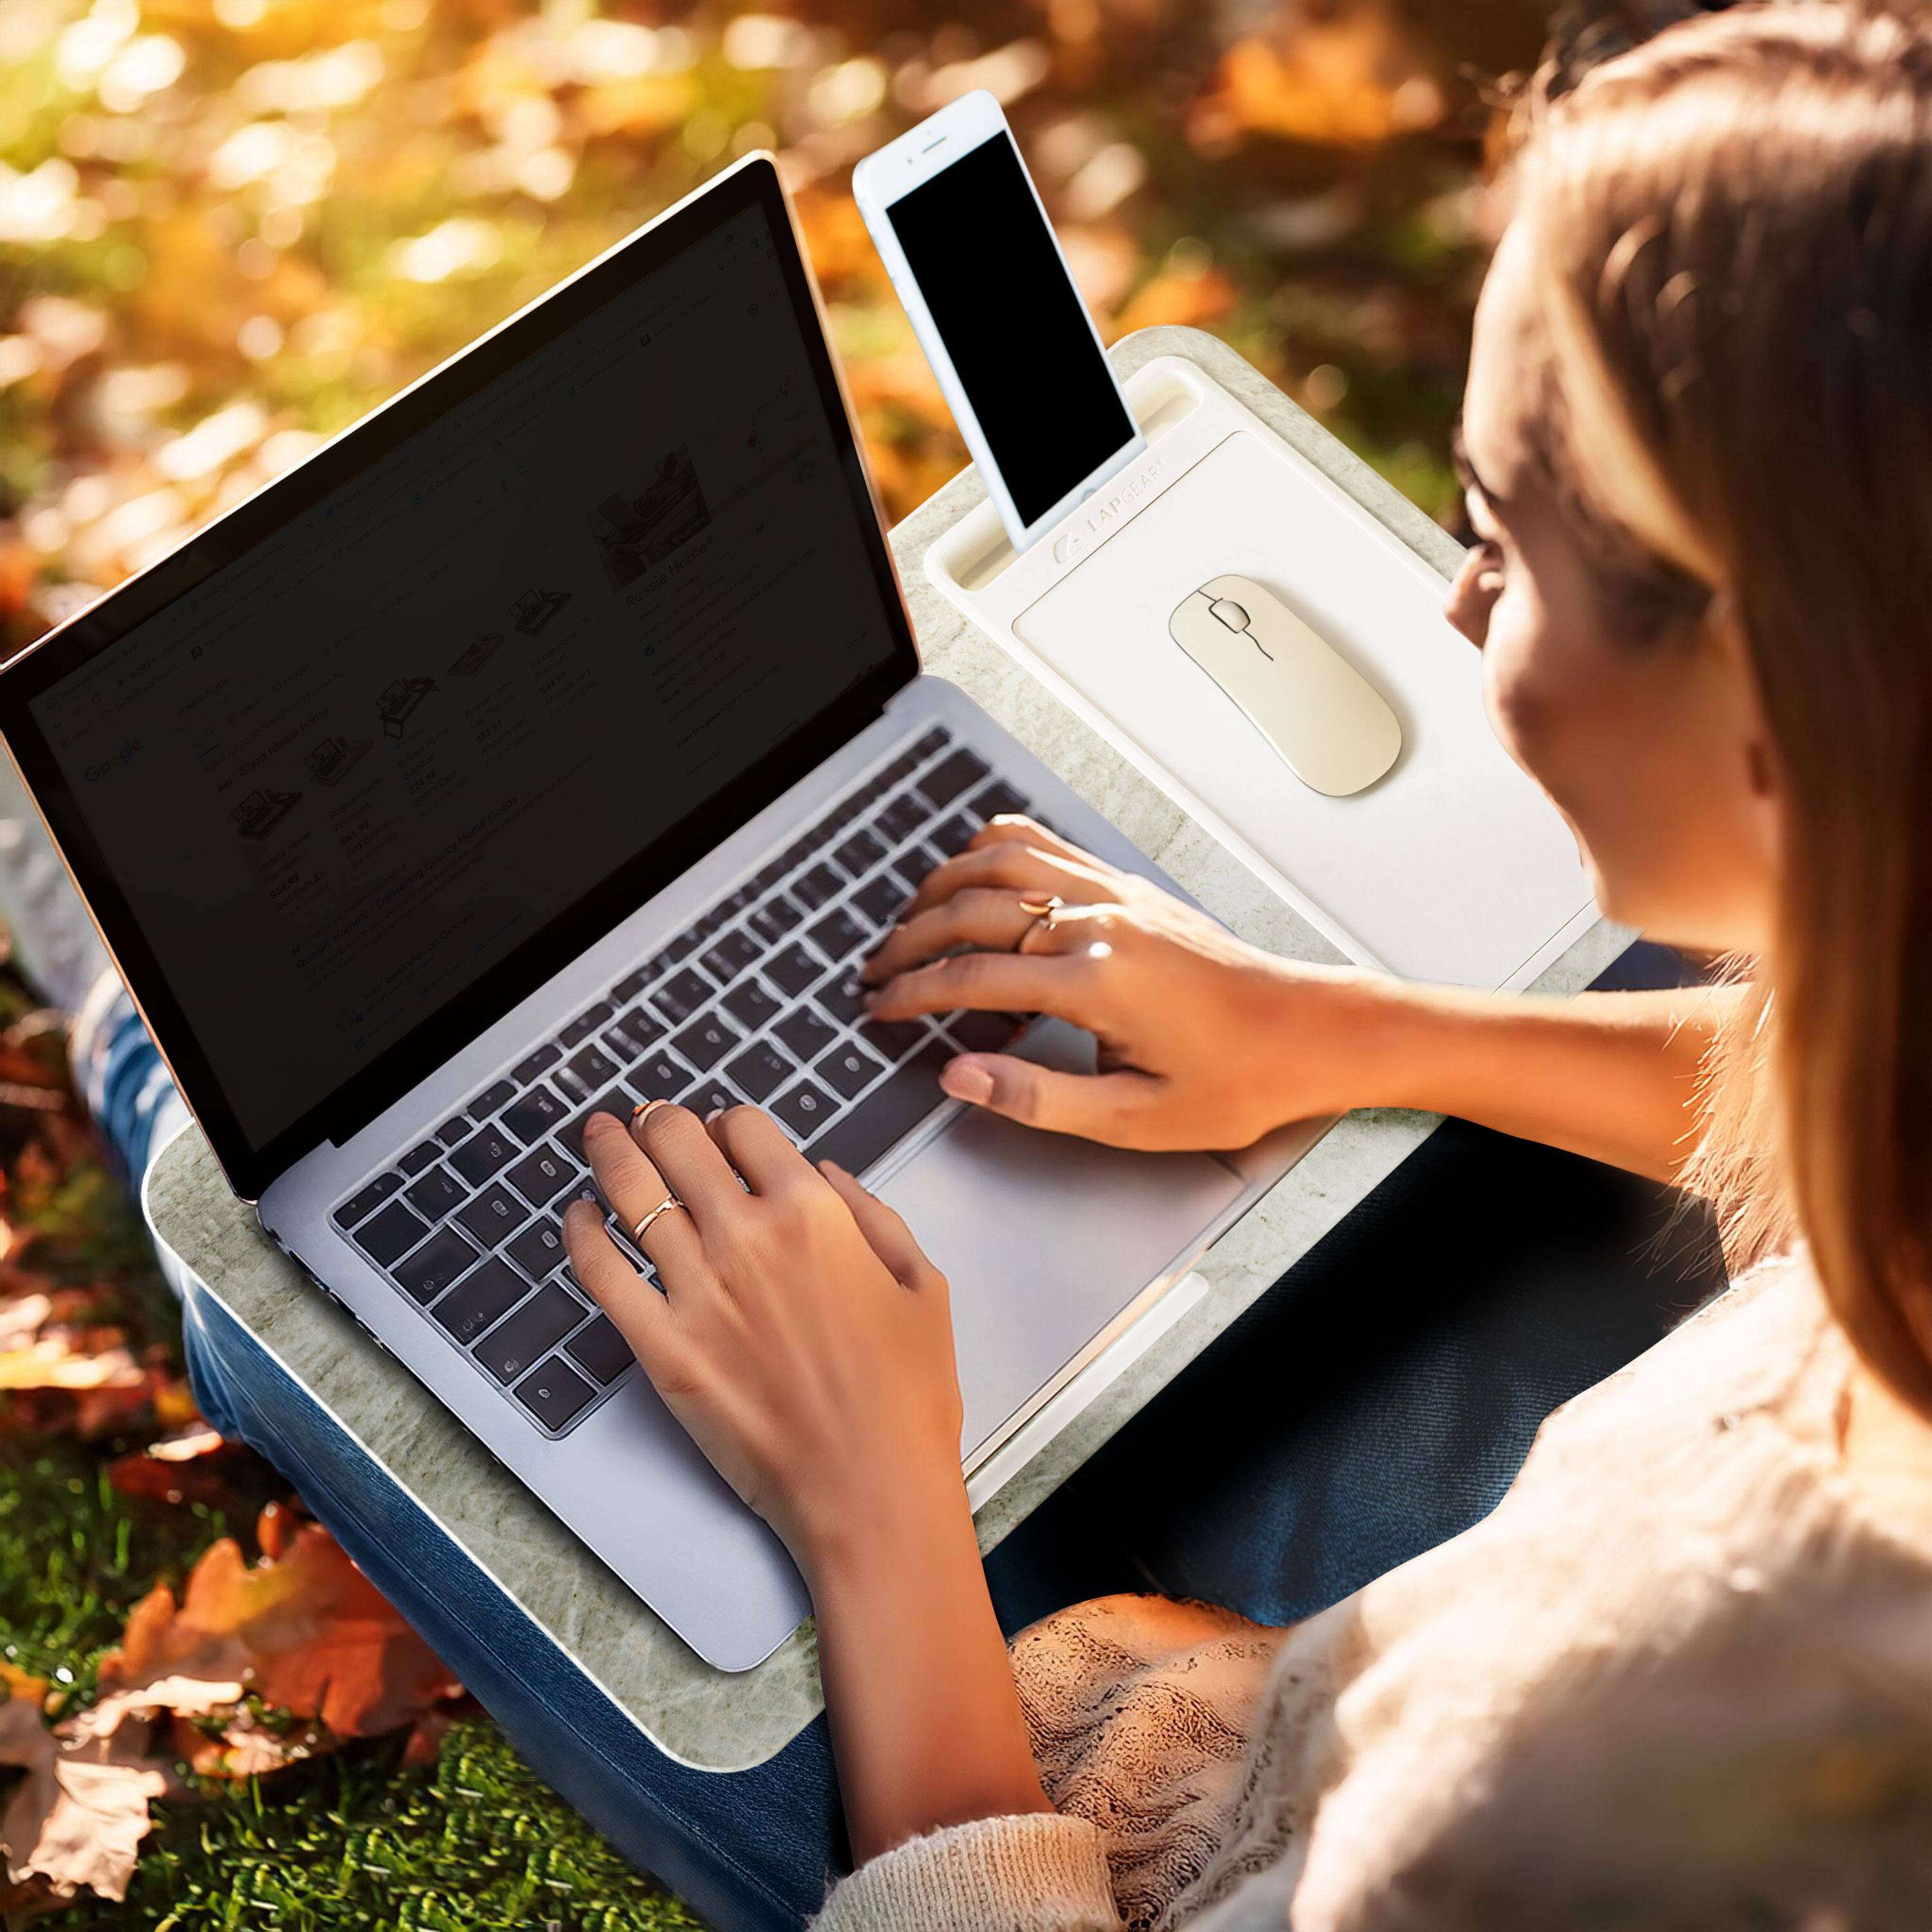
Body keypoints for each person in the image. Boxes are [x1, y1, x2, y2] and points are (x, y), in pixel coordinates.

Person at [556, 6, 1932, 1924]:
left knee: (286, 1328)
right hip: (1423, 1636)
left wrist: (874, 1512)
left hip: (1269, 1804)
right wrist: (1334, 1030)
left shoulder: (1584, 1784)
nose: (1455, 599)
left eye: (1498, 533)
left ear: (1778, 708)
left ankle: (95, 976)